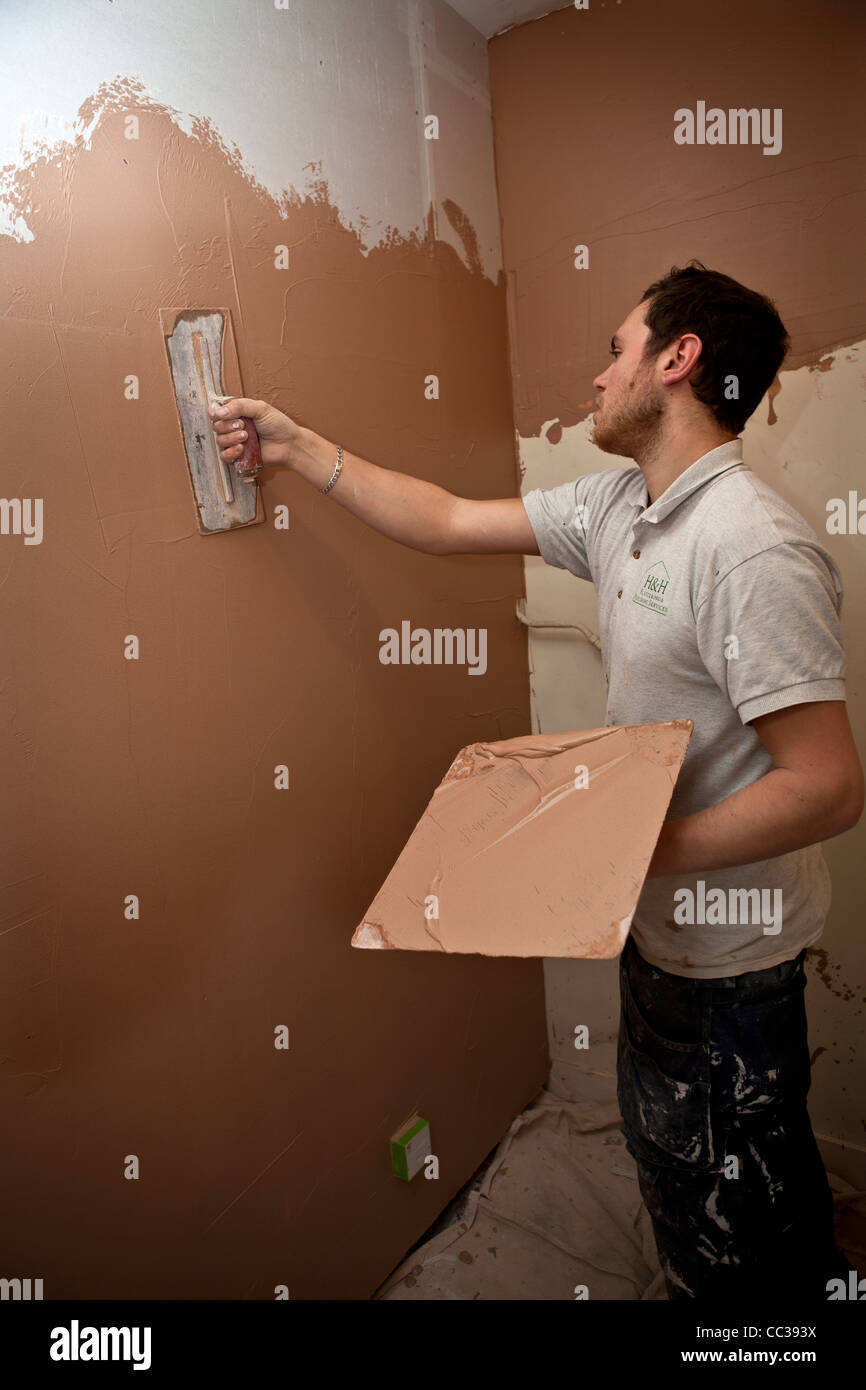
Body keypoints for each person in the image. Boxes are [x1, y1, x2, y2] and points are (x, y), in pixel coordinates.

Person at [208, 260, 863, 1301]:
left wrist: (625, 851)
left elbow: (826, 785)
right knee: (675, 1166)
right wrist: (294, 449)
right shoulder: (620, 506)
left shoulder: (745, 546)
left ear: (677, 360)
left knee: (736, 1213)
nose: (598, 377)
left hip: (731, 965)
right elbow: (448, 520)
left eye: (616, 349)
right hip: (656, 931)